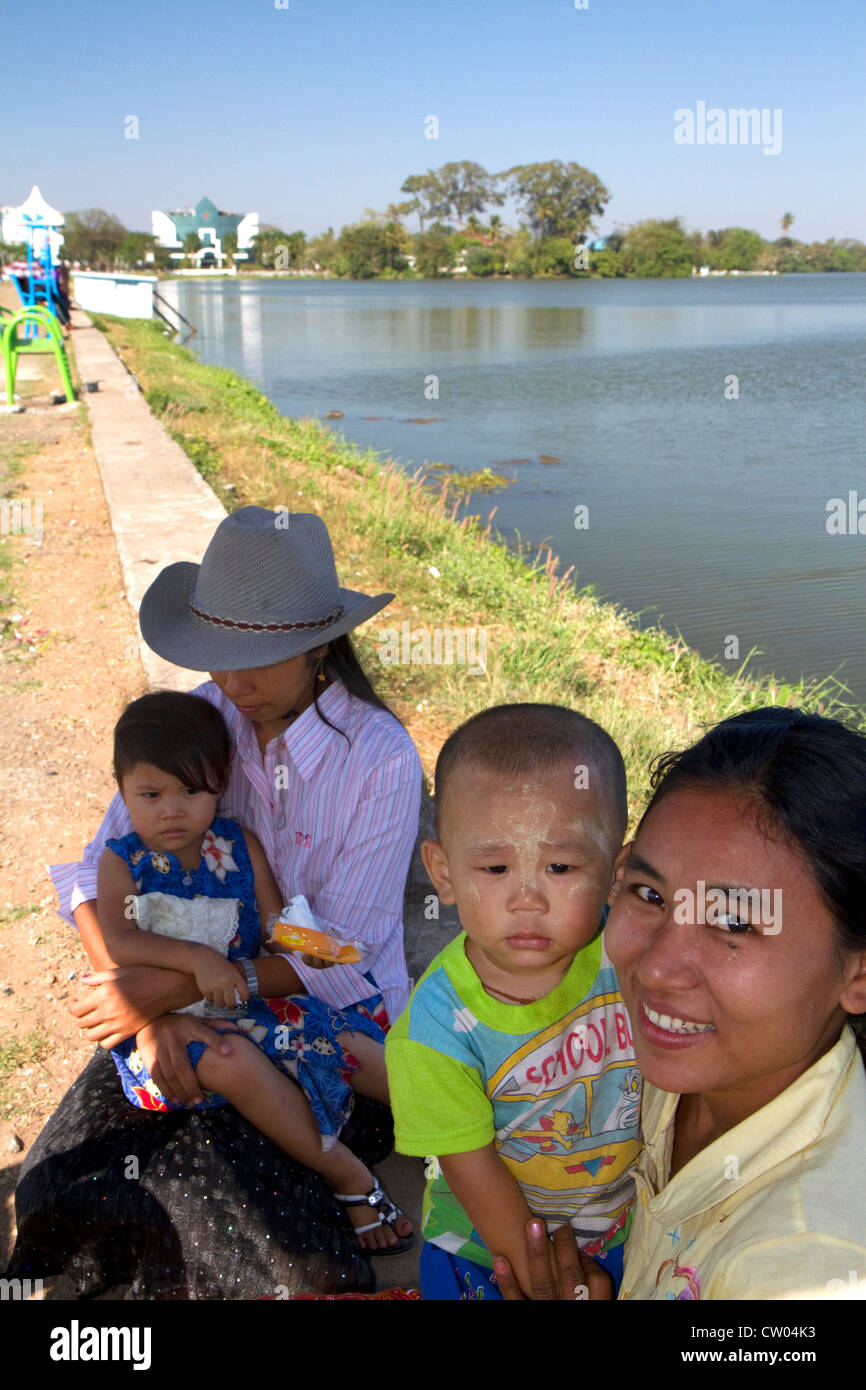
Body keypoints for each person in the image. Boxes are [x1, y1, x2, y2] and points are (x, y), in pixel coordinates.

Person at [10, 506, 422, 1297]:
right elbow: (93, 878)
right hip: (188, 1010)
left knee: (224, 1167)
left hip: (324, 1027)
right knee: (62, 1173)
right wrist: (153, 1014)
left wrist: (168, 988)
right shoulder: (205, 717)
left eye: (259, 660)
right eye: (220, 658)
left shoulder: (380, 761)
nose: (235, 683)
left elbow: (337, 957)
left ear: (322, 641)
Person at [494, 707, 866, 1300]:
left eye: (734, 923)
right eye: (649, 893)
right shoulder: (703, 1063)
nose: (657, 968)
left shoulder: (807, 1268)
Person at [98, 689, 412, 1254]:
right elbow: (119, 940)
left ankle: (452, 1124)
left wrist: (317, 946)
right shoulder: (123, 862)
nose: (172, 809)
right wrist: (198, 961)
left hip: (246, 1003)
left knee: (332, 1029)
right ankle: (345, 1173)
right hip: (173, 1027)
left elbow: (272, 926)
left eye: (191, 791)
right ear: (120, 788)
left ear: (220, 782)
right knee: (232, 1059)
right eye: (151, 793)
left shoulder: (238, 845)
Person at [385, 703, 642, 1300]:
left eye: (560, 865)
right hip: (485, 1253)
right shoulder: (434, 1033)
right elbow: (477, 1177)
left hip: (624, 1226)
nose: (527, 899)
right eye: (495, 867)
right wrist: (549, 1283)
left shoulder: (630, 956)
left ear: (614, 872)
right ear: (444, 874)